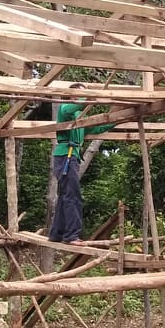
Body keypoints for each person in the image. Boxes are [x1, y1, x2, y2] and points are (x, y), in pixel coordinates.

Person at [48, 84, 115, 245]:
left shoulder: (80, 116)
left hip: (71, 156)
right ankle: (71, 235)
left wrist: (116, 118)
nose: (83, 96)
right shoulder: (66, 110)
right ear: (72, 95)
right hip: (66, 155)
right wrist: (90, 97)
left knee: (66, 196)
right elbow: (73, 107)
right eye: (80, 93)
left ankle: (57, 234)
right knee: (73, 196)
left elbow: (99, 127)